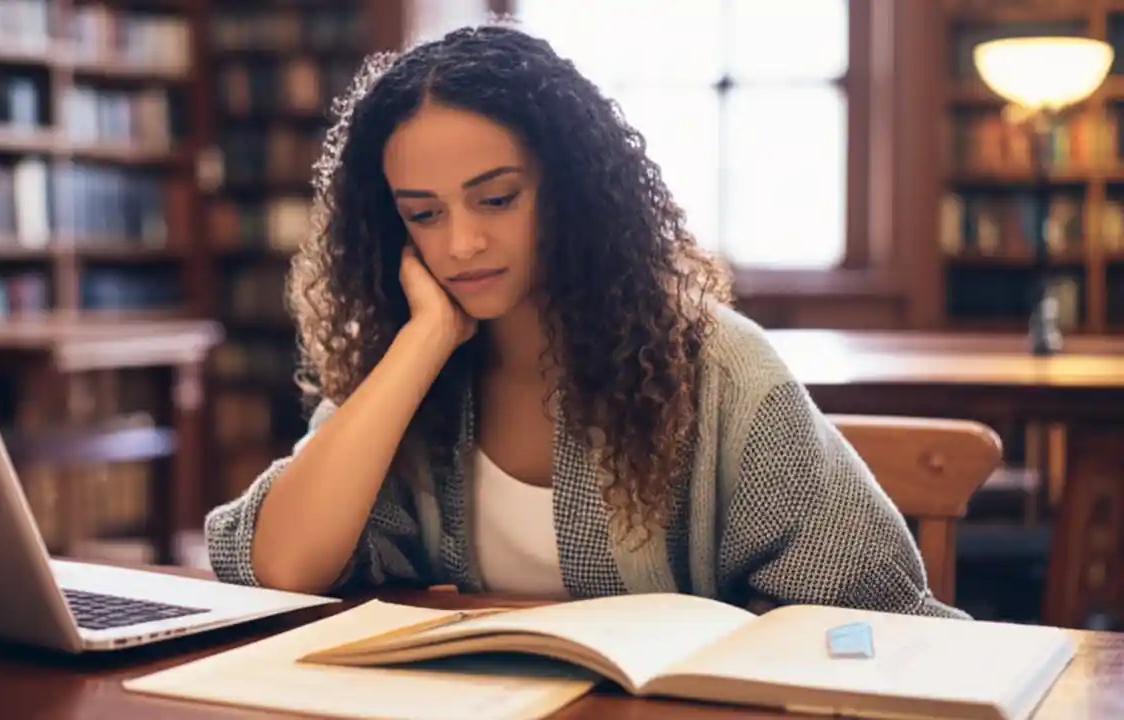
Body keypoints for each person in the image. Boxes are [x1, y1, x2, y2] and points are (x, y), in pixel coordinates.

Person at [206, 23, 967, 619]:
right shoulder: (410, 373)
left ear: (570, 192)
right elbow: (283, 563)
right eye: (424, 214)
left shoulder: (718, 368)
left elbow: (874, 611)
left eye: (496, 198)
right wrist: (425, 339)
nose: (461, 243)